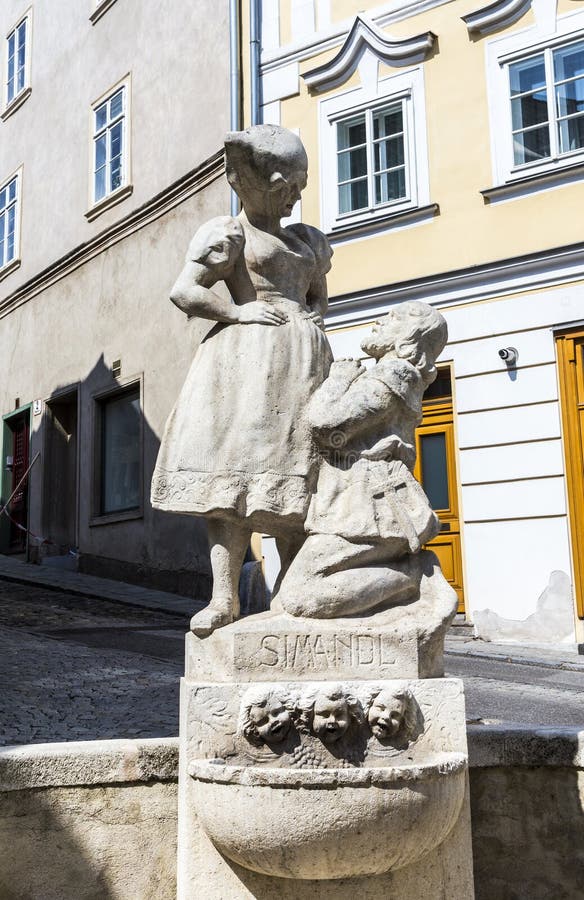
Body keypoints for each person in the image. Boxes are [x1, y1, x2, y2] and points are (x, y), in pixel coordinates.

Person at [151, 125, 333, 635]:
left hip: (303, 362)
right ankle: (224, 597)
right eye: (291, 182)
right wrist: (238, 314)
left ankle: (293, 594)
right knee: (233, 479)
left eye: (301, 181)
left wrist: (313, 317)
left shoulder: (307, 240)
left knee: (299, 481)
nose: (298, 192)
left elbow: (318, 295)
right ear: (265, 181)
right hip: (246, 364)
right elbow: (185, 291)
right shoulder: (229, 232)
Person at [277, 301, 448, 619]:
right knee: (294, 593)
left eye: (392, 318)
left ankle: (413, 576)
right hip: (356, 502)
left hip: (368, 508)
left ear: (407, 338)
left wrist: (338, 379)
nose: (378, 322)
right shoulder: (391, 377)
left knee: (300, 596)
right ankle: (408, 574)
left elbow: (327, 422)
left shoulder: (391, 377)